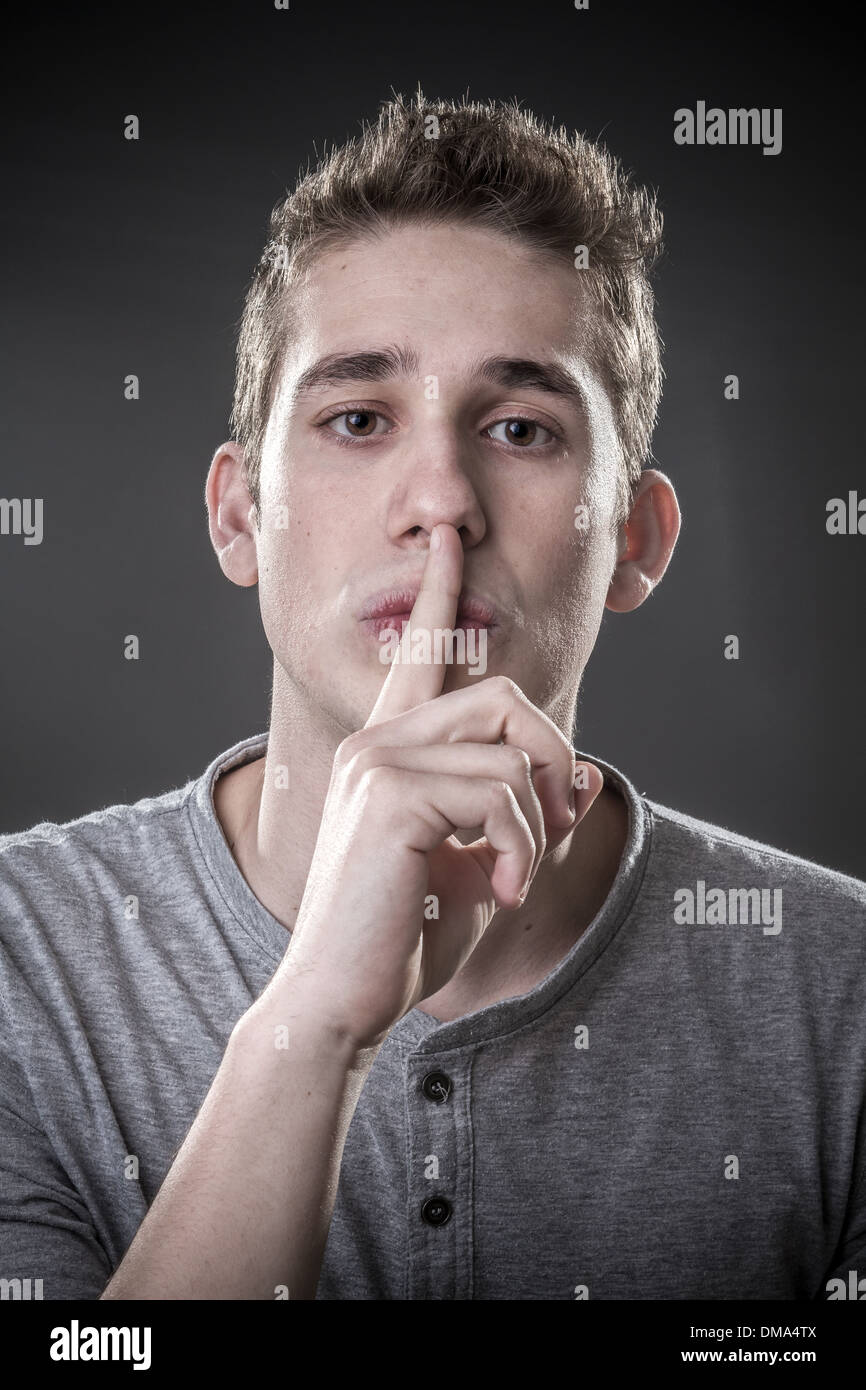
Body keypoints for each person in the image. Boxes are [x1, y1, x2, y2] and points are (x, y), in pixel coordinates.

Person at [1, 89, 864, 1303]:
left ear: (631, 536)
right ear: (239, 513)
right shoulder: (18, 966)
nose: (441, 500)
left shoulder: (845, 996)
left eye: (517, 428)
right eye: (357, 417)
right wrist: (312, 1028)